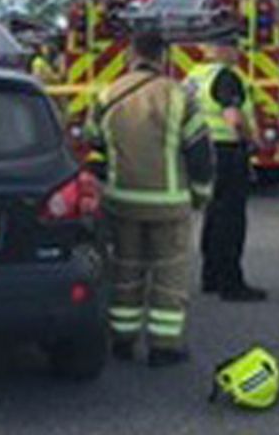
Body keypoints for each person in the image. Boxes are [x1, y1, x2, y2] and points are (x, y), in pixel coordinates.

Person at [91, 30, 214, 367]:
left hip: (121, 203)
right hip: (169, 206)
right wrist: (201, 196)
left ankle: (122, 342)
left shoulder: (107, 95)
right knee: (169, 278)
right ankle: (164, 347)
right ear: (164, 57)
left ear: (131, 56)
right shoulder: (179, 97)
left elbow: (94, 148)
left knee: (125, 272)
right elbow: (200, 155)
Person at [187, 43, 268, 302]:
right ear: (221, 48)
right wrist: (252, 139)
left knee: (213, 217)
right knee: (231, 221)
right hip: (228, 153)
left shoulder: (194, 75)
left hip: (202, 153)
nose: (238, 52)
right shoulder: (225, 76)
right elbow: (233, 117)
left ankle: (210, 276)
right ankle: (231, 283)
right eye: (234, 46)